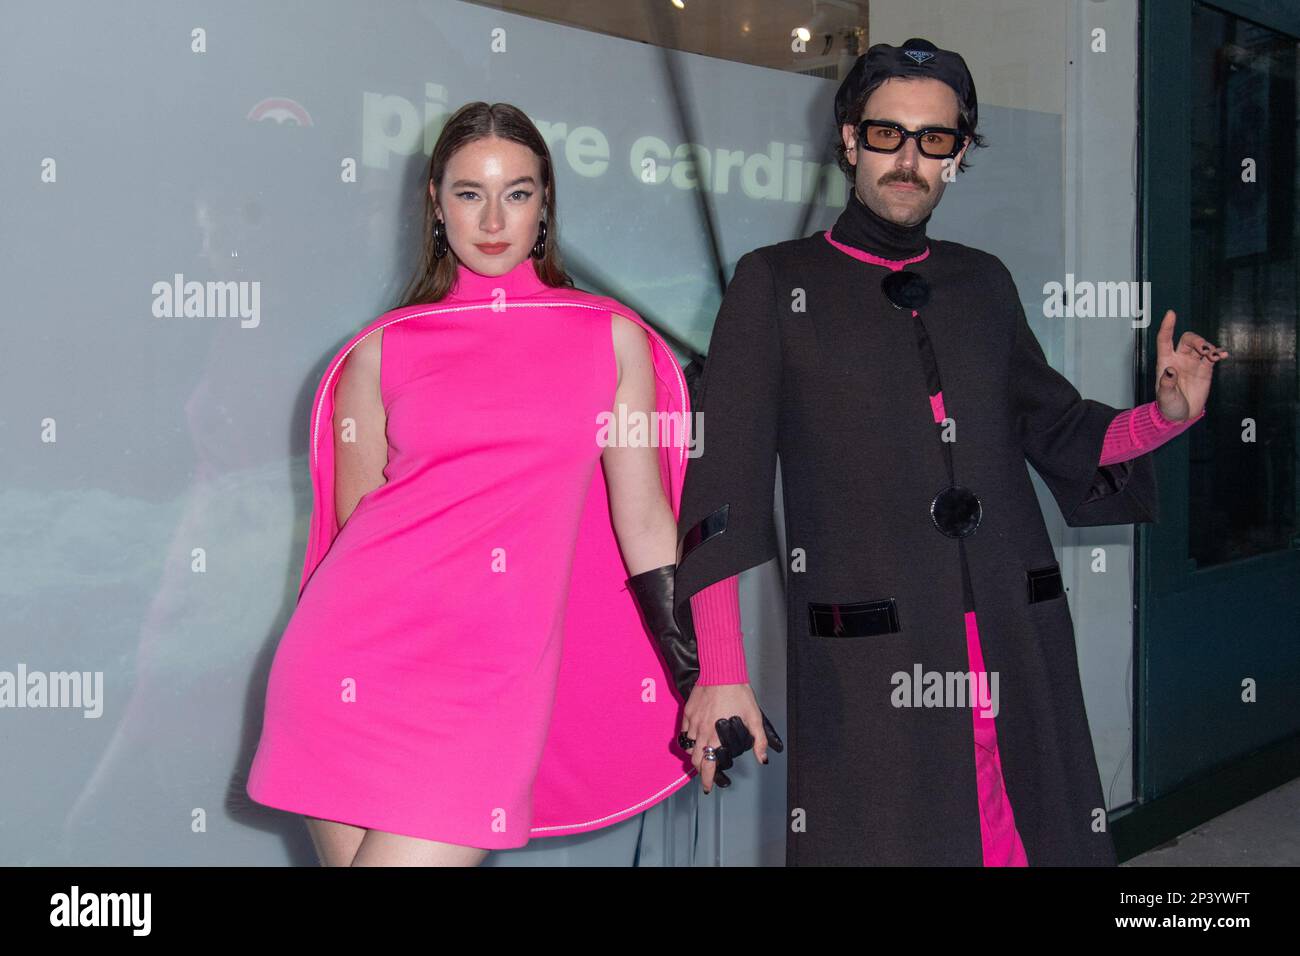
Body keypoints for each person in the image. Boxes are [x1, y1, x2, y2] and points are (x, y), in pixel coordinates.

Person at [670, 39, 1228, 865]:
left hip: (1012, 631)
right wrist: (719, 665)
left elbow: (1061, 430)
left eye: (934, 140)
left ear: (957, 153)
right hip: (872, 652)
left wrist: (1165, 415)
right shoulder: (773, 282)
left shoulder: (984, 282)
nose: (908, 158)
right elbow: (725, 483)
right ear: (851, 140)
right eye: (887, 134)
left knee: (1031, 836)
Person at [246, 102, 695, 866]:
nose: (493, 218)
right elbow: (351, 531)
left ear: (545, 203)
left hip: (489, 686)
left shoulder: (607, 336)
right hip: (349, 665)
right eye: (469, 192)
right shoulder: (382, 349)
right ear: (435, 202)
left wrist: (696, 671)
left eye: (517, 193)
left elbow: (645, 518)